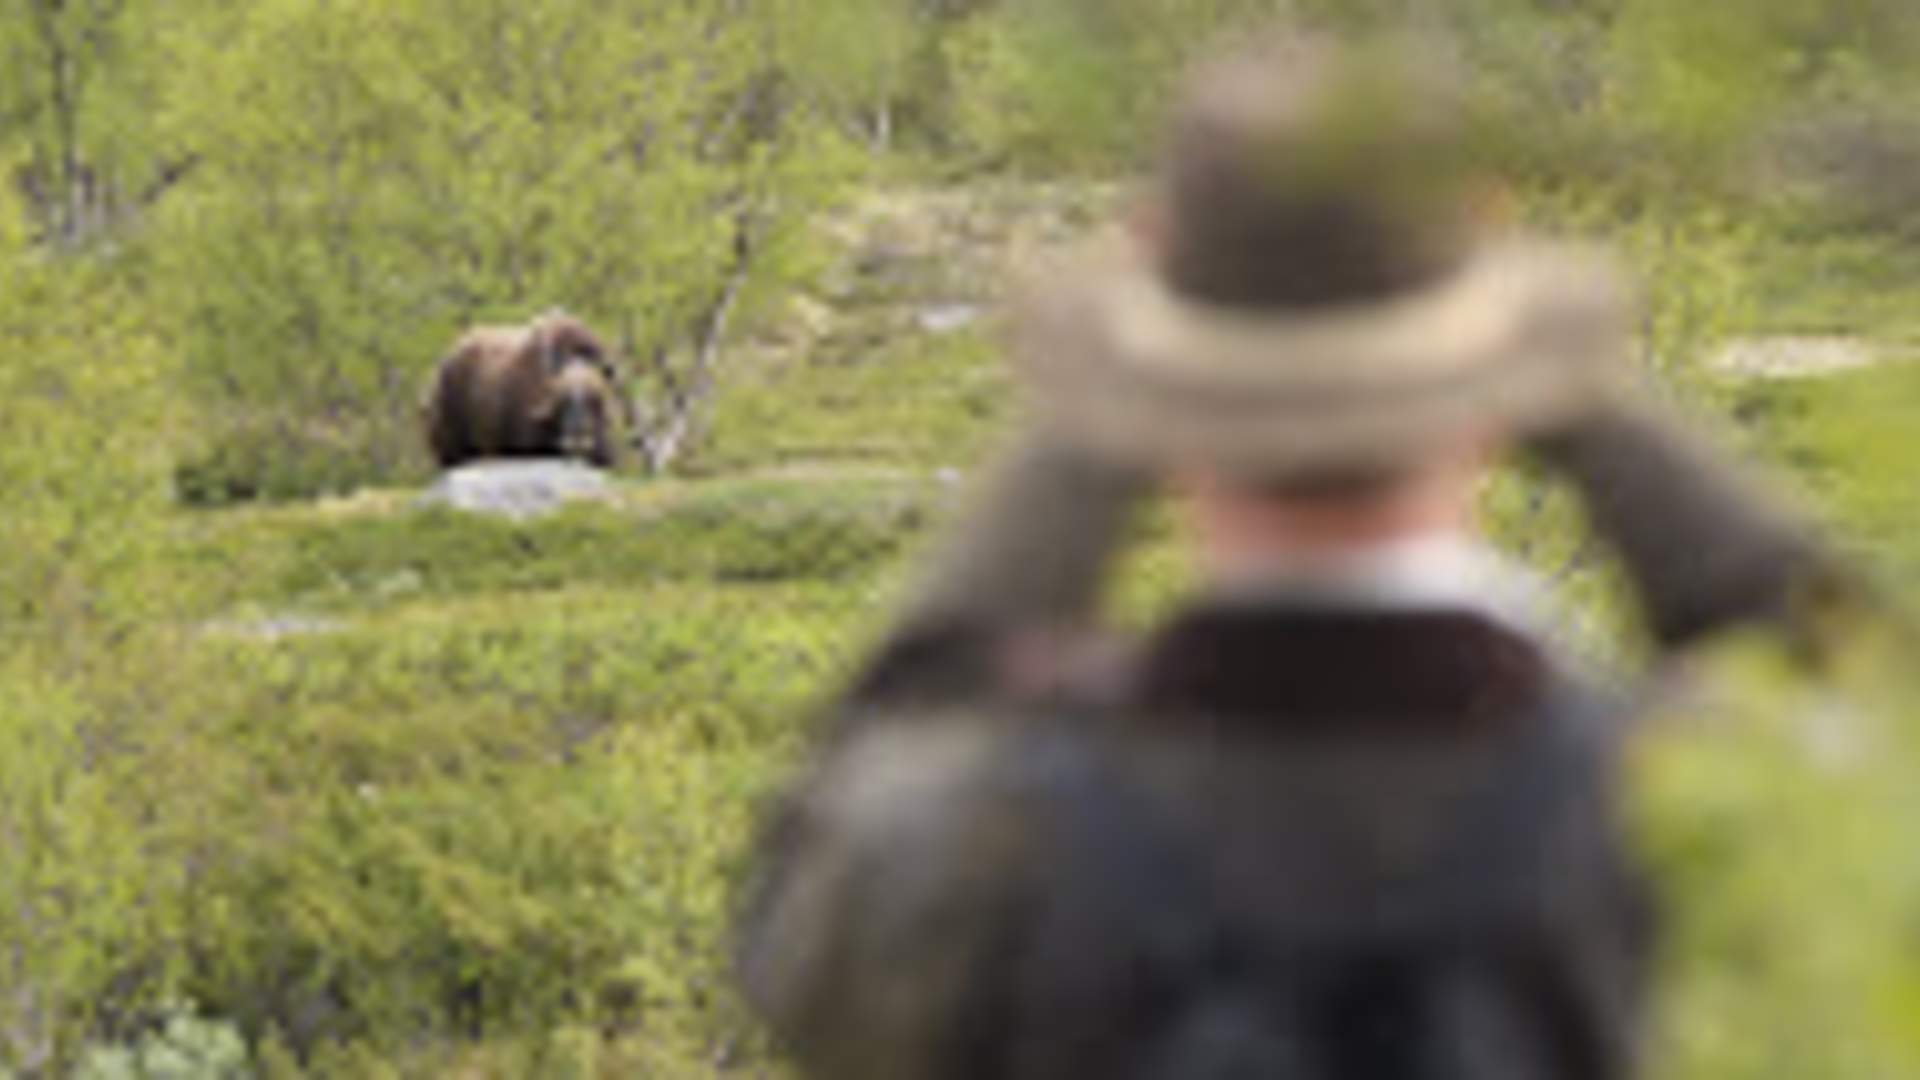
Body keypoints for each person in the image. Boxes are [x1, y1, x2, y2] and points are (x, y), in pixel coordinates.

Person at [735, 29, 1857, 1080]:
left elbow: (863, 785)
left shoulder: (988, 849)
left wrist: (1101, 394)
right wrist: (1572, 377)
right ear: (1486, 345)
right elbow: (1872, 726)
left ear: (1161, 337)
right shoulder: (1669, 810)